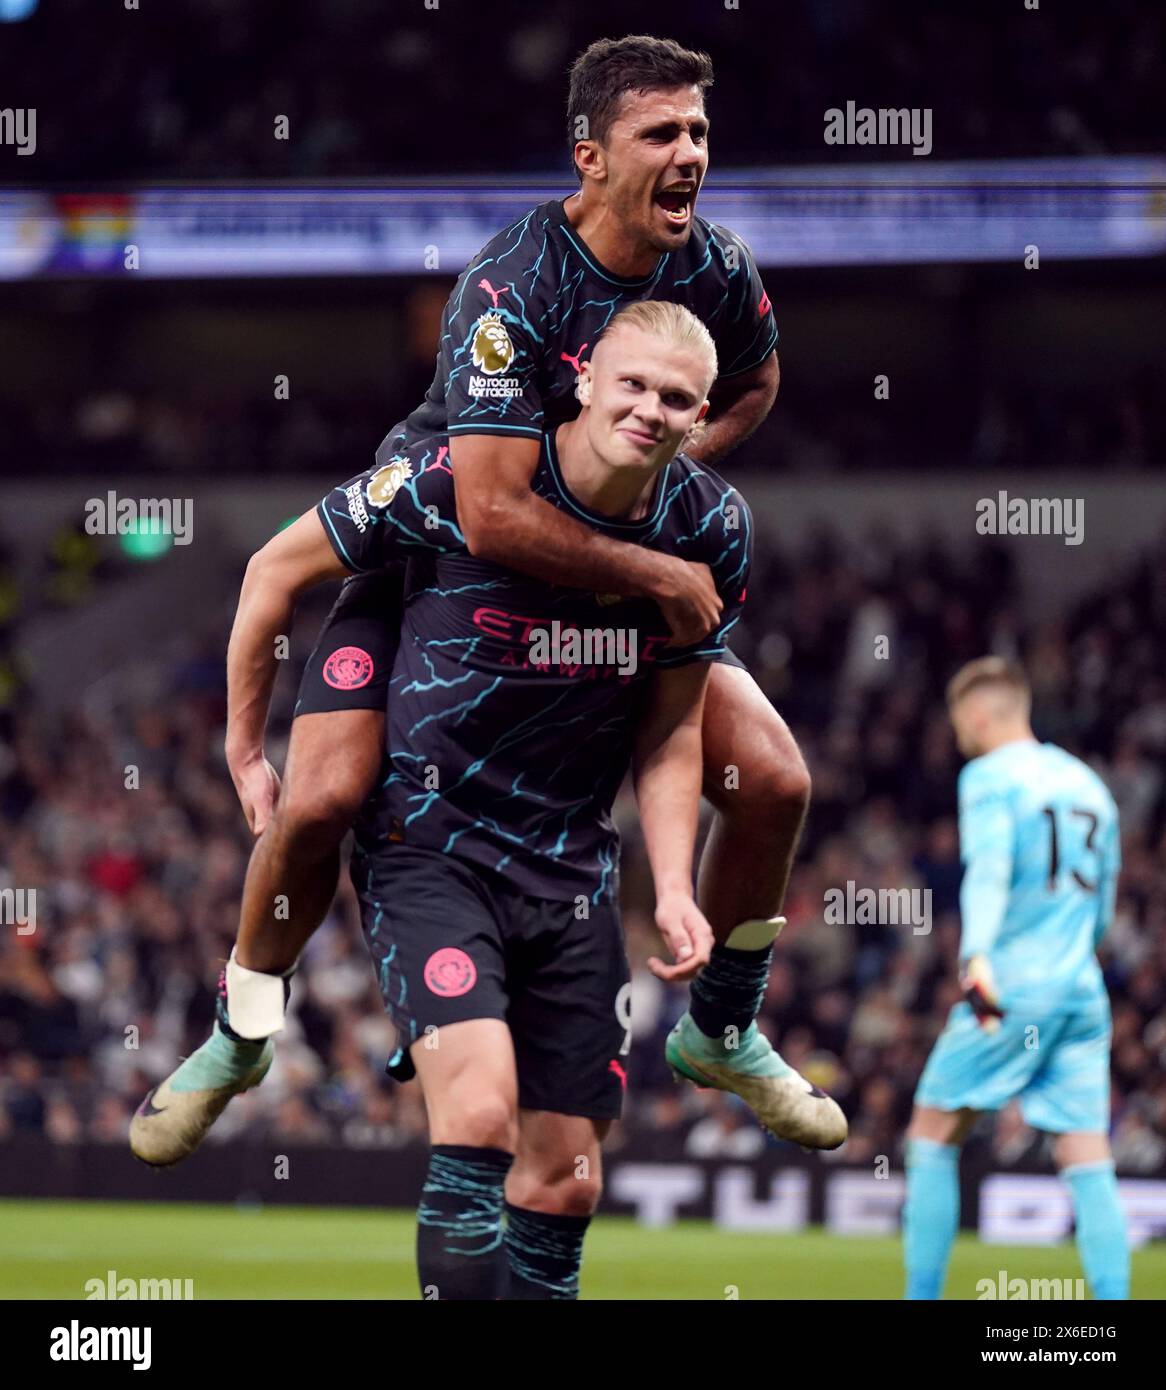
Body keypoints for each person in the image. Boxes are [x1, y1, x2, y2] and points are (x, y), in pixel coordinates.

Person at [154, 33, 831, 1155]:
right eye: (659, 133)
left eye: (699, 132)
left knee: (770, 779)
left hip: (598, 566)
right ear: (590, 157)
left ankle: (720, 1026)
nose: (690, 154)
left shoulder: (713, 269)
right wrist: (659, 566)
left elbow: (755, 377)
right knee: (320, 804)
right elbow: (492, 513)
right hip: (435, 552)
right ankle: (242, 1027)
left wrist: (669, 469)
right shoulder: (511, 289)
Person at [133, 305, 845, 1297]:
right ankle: (239, 1026)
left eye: (675, 399)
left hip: (569, 863)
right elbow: (272, 569)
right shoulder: (450, 481)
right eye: (630, 384)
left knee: (563, 1181)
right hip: (429, 843)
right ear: (584, 375)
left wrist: (676, 888)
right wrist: (244, 748)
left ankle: (724, 1027)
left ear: (701, 419)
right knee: (472, 1114)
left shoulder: (710, 529)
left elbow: (673, 731)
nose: (647, 410)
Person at [902, 657, 1129, 1300]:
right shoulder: (1089, 784)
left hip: (1015, 985)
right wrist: (1074, 958)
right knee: (1087, 1154)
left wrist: (977, 956)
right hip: (1082, 991)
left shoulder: (990, 777)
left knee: (931, 1132)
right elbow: (1105, 902)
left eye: (957, 723)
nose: (958, 737)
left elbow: (991, 869)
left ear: (977, 715)